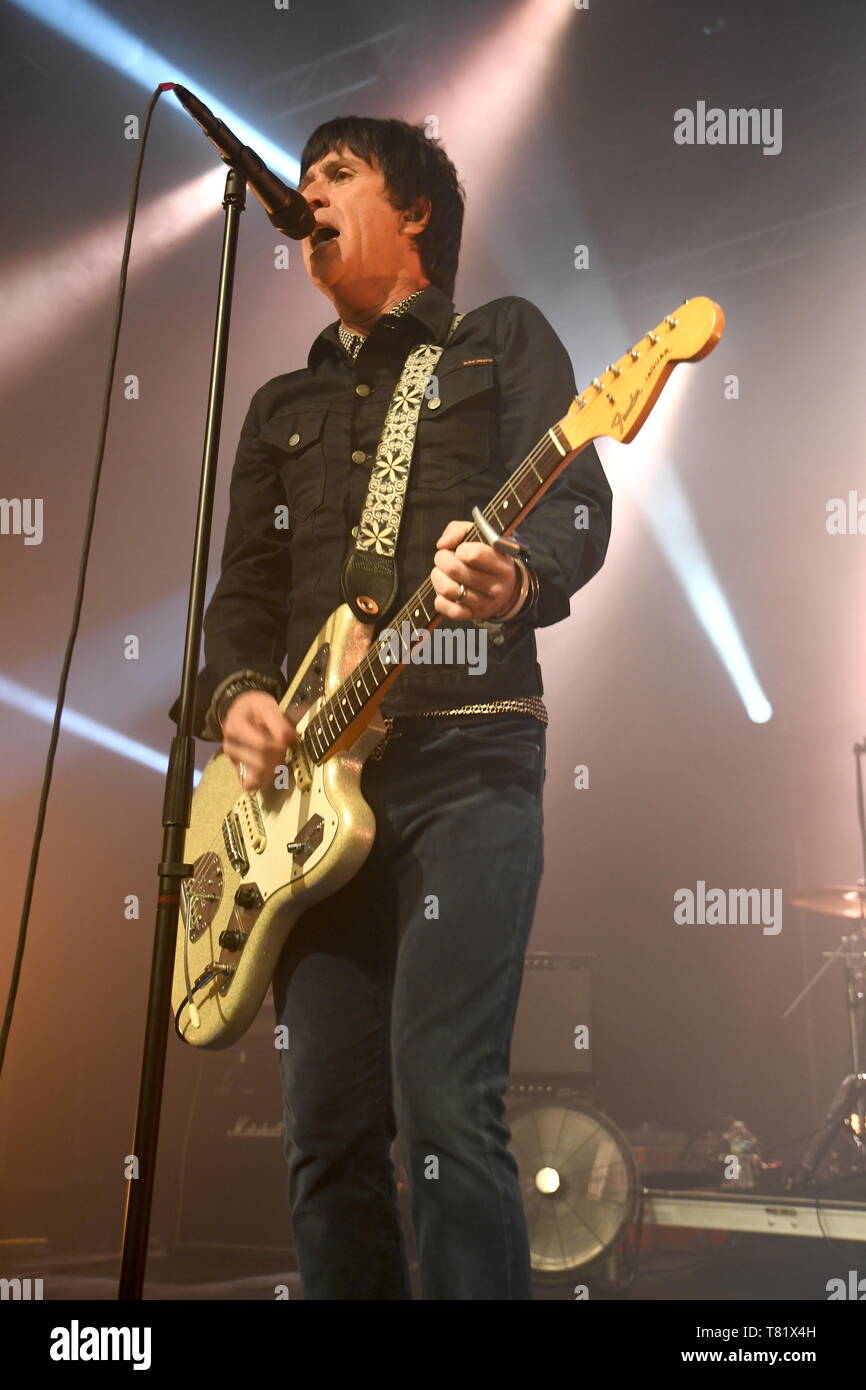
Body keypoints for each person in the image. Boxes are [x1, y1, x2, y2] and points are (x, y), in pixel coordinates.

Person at [172, 115, 613, 1299]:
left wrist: (518, 578)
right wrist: (239, 696)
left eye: (335, 174)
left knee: (441, 1102)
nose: (305, 196)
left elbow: (573, 509)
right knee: (324, 1130)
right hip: (307, 801)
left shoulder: (499, 340)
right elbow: (244, 597)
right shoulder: (278, 408)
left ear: (413, 211)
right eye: (302, 177)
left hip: (463, 762)